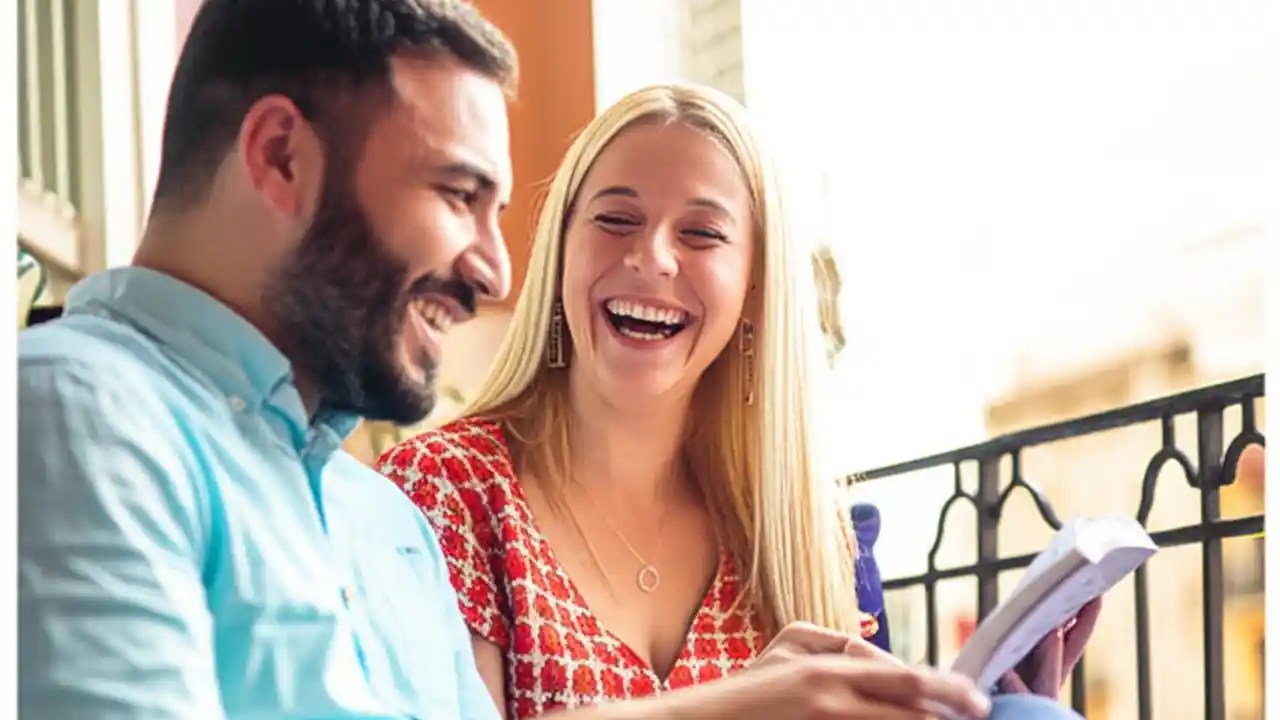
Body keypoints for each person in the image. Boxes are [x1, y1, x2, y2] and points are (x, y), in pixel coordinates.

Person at [15, 1, 995, 719]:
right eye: (456, 193)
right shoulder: (77, 415)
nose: (494, 268)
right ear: (278, 156)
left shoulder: (379, 520)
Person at [376, 82, 1098, 719]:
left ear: (754, 291)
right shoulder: (449, 490)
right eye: (615, 220)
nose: (651, 256)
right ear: (562, 250)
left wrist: (985, 700)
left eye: (701, 234)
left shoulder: (805, 539)